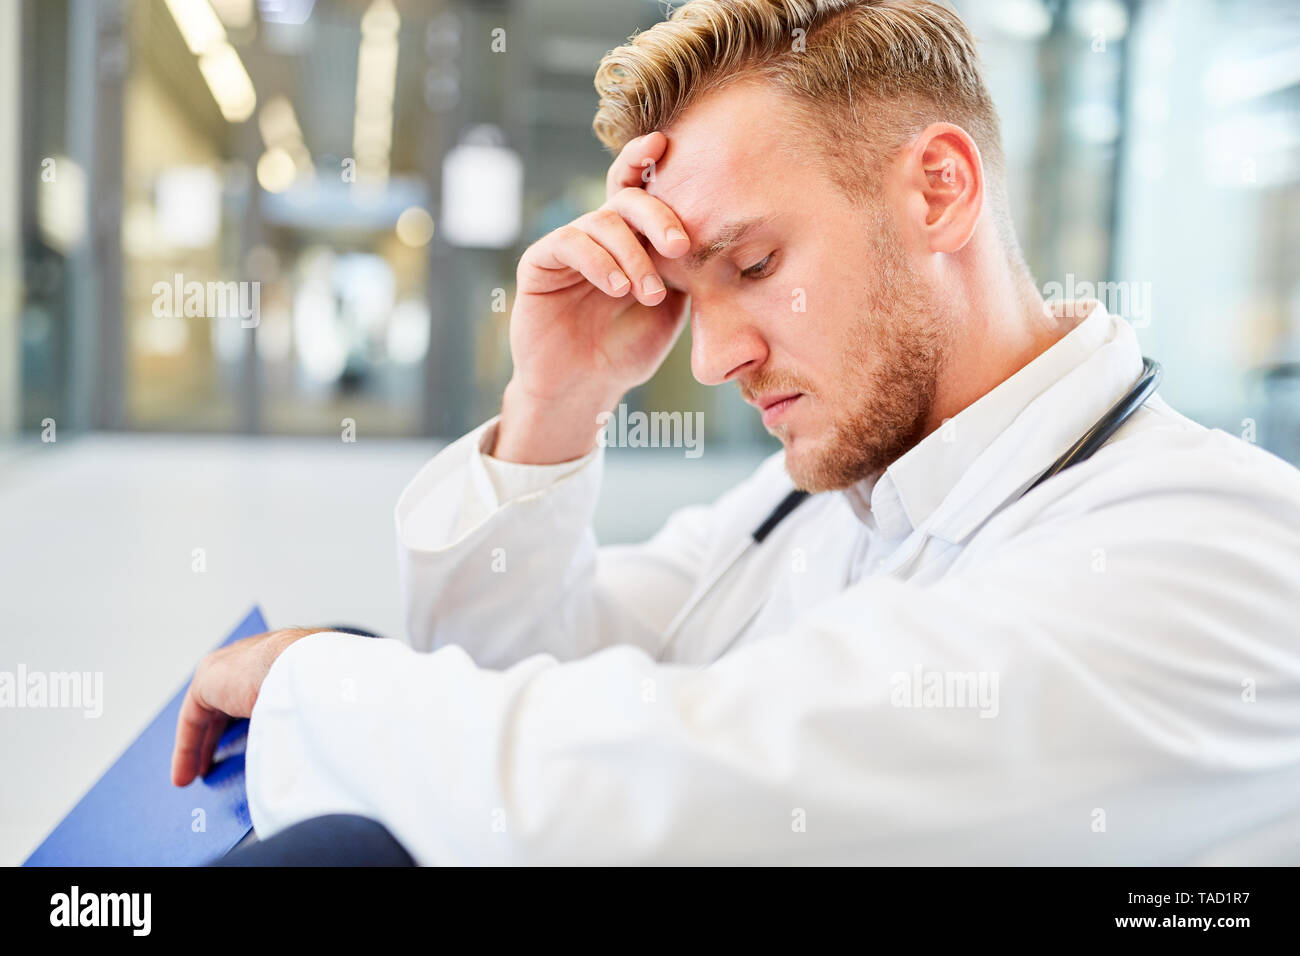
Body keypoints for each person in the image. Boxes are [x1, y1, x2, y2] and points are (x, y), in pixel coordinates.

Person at [171, 0, 1300, 865]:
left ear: (939, 192)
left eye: (754, 266)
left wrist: (321, 684)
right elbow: (520, 671)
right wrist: (555, 399)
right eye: (685, 290)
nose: (711, 360)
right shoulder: (824, 494)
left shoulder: (1213, 545)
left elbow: (669, 798)